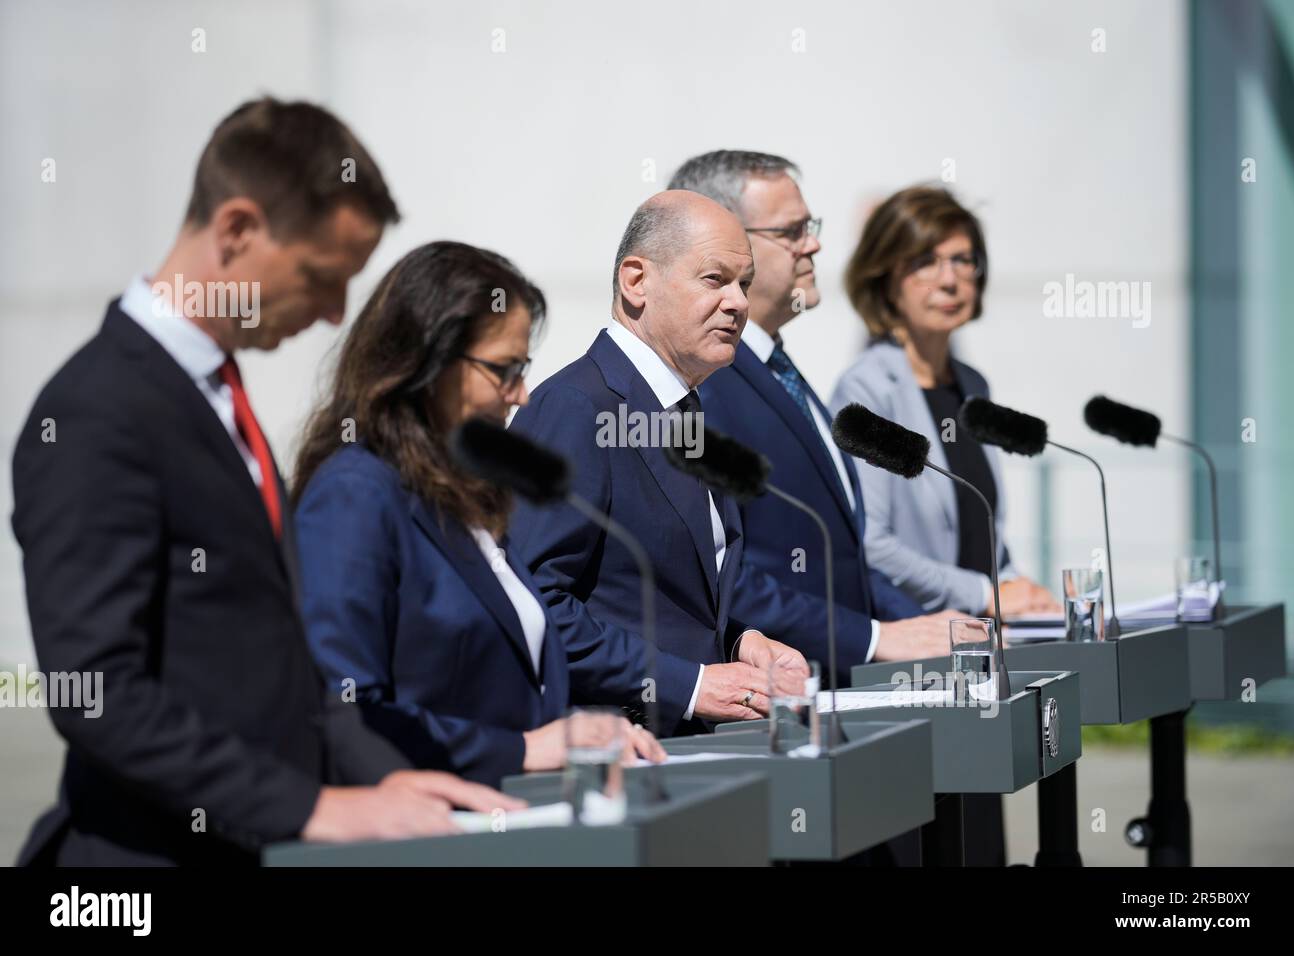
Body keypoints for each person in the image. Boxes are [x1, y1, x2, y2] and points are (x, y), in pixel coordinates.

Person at [11, 98, 518, 867]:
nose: (334, 313)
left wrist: (395, 787)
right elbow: (97, 694)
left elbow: (291, 672)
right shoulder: (96, 410)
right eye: (321, 277)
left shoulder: (214, 398)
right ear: (238, 230)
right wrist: (311, 808)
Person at [292, 241, 665, 787]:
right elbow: (348, 709)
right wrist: (520, 750)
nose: (520, 395)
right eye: (503, 370)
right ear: (427, 362)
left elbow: (506, 685)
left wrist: (583, 733)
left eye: (523, 368)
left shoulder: (466, 493)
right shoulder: (356, 493)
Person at [510, 190, 810, 736]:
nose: (739, 302)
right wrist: (691, 685)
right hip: (619, 753)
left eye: (743, 284)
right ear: (636, 281)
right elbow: (534, 606)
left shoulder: (683, 408)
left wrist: (742, 640)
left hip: (698, 749)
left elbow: (654, 599)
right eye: (714, 279)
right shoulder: (577, 407)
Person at [830, 185, 1060, 866]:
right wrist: (984, 594)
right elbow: (871, 546)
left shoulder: (973, 383)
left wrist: (1022, 588)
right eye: (925, 261)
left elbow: (981, 525)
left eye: (964, 260)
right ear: (884, 277)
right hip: (914, 670)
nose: (951, 277)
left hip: (979, 667)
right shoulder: (867, 388)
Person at [674, 151, 964, 687]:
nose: (814, 244)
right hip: (776, 709)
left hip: (844, 696)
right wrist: (874, 640)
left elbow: (845, 561)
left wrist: (924, 626)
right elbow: (721, 578)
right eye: (793, 230)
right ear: (721, 246)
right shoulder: (702, 388)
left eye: (812, 227)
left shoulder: (778, 369)